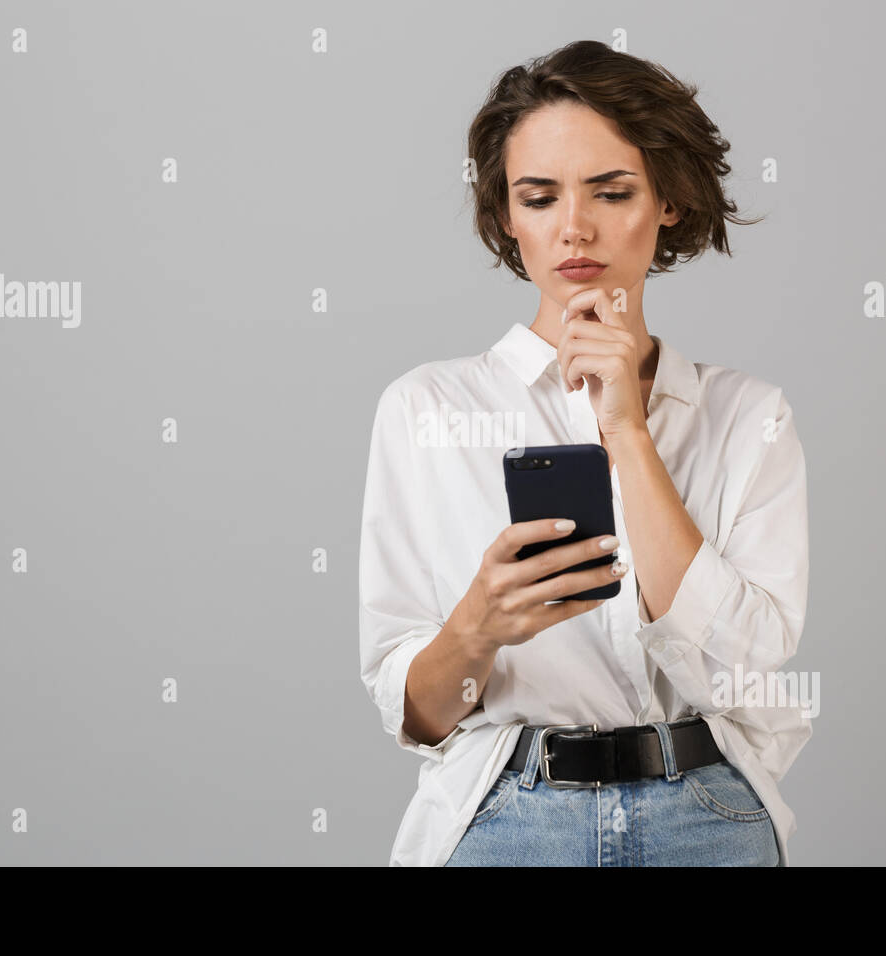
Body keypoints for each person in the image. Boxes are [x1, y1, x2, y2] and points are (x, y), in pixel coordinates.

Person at [358, 40, 811, 866]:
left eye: (612, 190)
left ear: (668, 199)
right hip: (508, 820)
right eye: (538, 197)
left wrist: (630, 432)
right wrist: (476, 627)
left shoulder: (751, 417)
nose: (574, 228)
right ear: (504, 216)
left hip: (706, 814)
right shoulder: (426, 410)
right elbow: (416, 714)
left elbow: (746, 665)